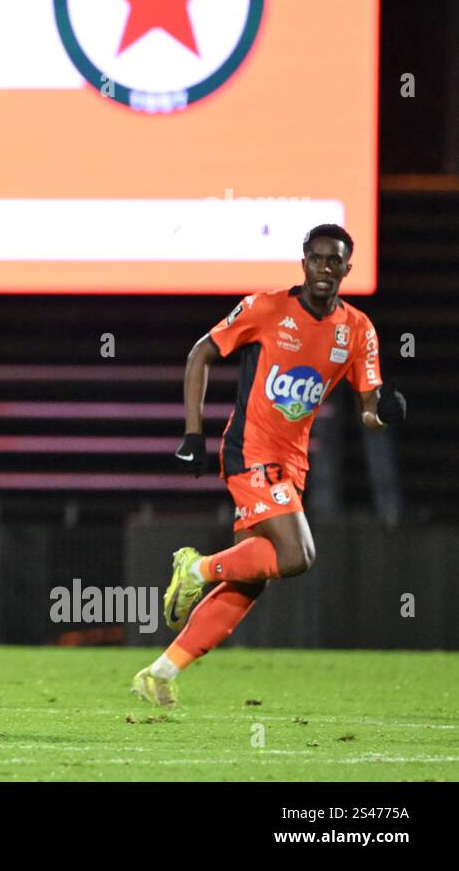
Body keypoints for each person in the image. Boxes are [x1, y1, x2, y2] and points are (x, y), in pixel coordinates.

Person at [132, 224, 407, 708]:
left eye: (334, 260)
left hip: (292, 463)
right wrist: (193, 434)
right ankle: (194, 568)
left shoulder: (358, 329)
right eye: (317, 258)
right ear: (303, 263)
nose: (325, 267)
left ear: (348, 267)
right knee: (299, 556)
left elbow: (368, 410)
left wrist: (382, 414)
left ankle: (160, 672)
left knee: (251, 579)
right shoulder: (266, 308)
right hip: (250, 452)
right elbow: (201, 354)